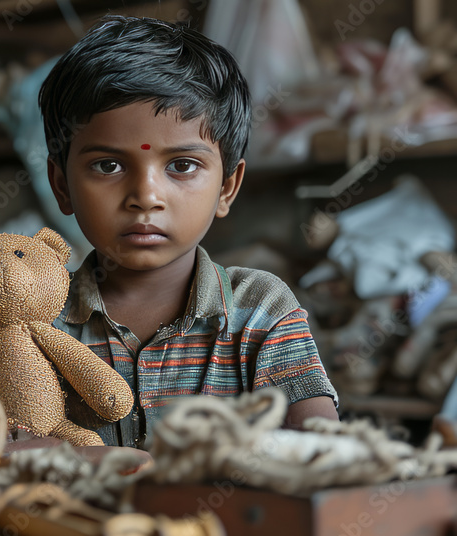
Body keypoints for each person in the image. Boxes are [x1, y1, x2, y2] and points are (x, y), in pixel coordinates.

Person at [37, 16, 338, 448]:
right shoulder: (35, 321)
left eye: (181, 165)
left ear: (227, 188)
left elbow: (322, 449)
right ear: (62, 186)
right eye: (108, 165)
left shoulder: (259, 310)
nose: (146, 196)